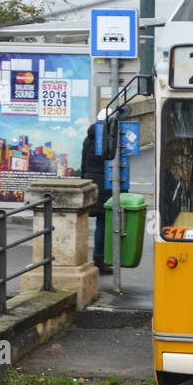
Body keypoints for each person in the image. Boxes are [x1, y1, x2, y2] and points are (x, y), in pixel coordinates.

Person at [80, 110, 111, 274]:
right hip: (106, 184)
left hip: (89, 181)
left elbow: (83, 162)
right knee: (103, 224)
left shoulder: (88, 138)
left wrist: (83, 180)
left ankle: (83, 258)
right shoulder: (110, 139)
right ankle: (99, 259)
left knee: (83, 221)